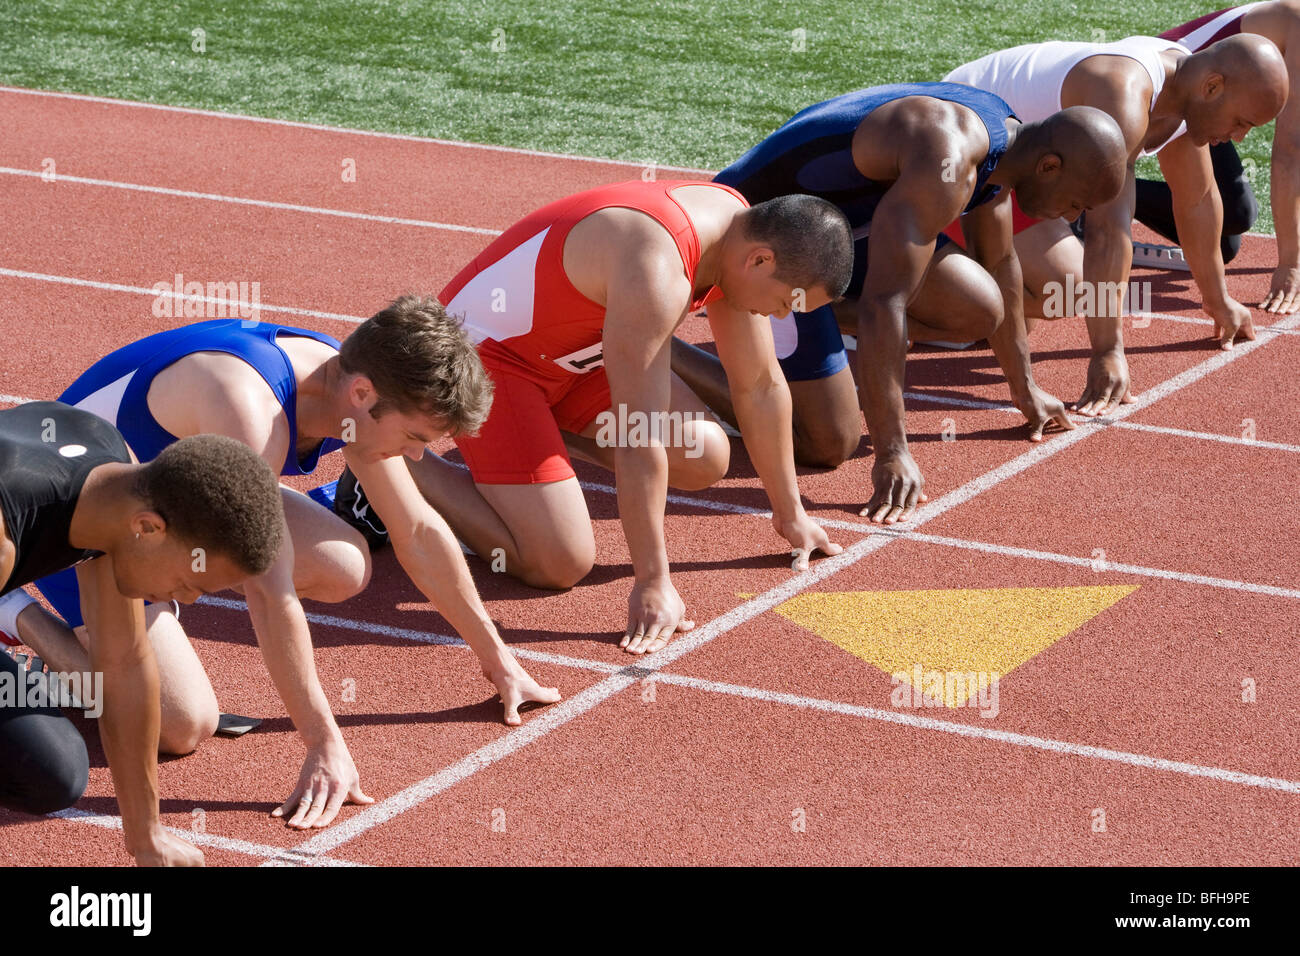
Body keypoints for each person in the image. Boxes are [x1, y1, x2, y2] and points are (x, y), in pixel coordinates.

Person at [17, 299, 559, 832]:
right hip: (80, 523)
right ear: (362, 393)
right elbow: (271, 595)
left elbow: (415, 529)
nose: (419, 456)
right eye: (416, 438)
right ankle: (16, 611)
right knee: (183, 725)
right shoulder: (250, 413)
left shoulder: (350, 384)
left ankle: (156, 603)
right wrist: (324, 744)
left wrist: (499, 659)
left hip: (169, 507)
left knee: (345, 563)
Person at [378, 179, 851, 654]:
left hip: (576, 358)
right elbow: (636, 432)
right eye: (786, 302)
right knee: (556, 562)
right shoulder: (656, 267)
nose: (778, 315)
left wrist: (791, 515)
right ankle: (395, 461)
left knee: (702, 455)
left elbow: (761, 385)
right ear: (761, 259)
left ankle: (535, 444)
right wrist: (653, 581)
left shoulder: (740, 232)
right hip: (490, 361)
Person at [670, 84, 1127, 527]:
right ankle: (664, 351)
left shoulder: (1003, 140)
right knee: (827, 442)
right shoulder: (947, 158)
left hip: (834, 236)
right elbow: (882, 305)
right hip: (762, 245)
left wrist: (1025, 390)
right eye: (1074, 203)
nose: (1070, 218)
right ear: (1049, 166)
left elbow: (1001, 258)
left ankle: (809, 321)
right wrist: (892, 452)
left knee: (981, 309)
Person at [0, 400, 284, 865]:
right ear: (148, 529)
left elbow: (123, 665)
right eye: (190, 582)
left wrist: (145, 835)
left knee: (50, 769)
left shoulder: (118, 485)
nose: (188, 600)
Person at [945, 33, 1288, 417]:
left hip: (1029, 174)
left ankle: (954, 288)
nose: (1239, 137)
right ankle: (912, 289)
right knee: (1067, 289)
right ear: (1212, 87)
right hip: (959, 149)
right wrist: (1107, 351)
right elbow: (1108, 230)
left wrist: (1217, 300)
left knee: (1026, 309)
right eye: (1241, 123)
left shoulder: (1188, 87)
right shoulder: (1123, 94)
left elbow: (1198, 201)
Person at [1143, 2, 1300, 313]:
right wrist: (1291, 263)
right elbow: (1290, 152)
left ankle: (1100, 204)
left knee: (1225, 240)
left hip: (1213, 97)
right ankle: (1093, 198)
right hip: (1177, 89)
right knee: (1232, 212)